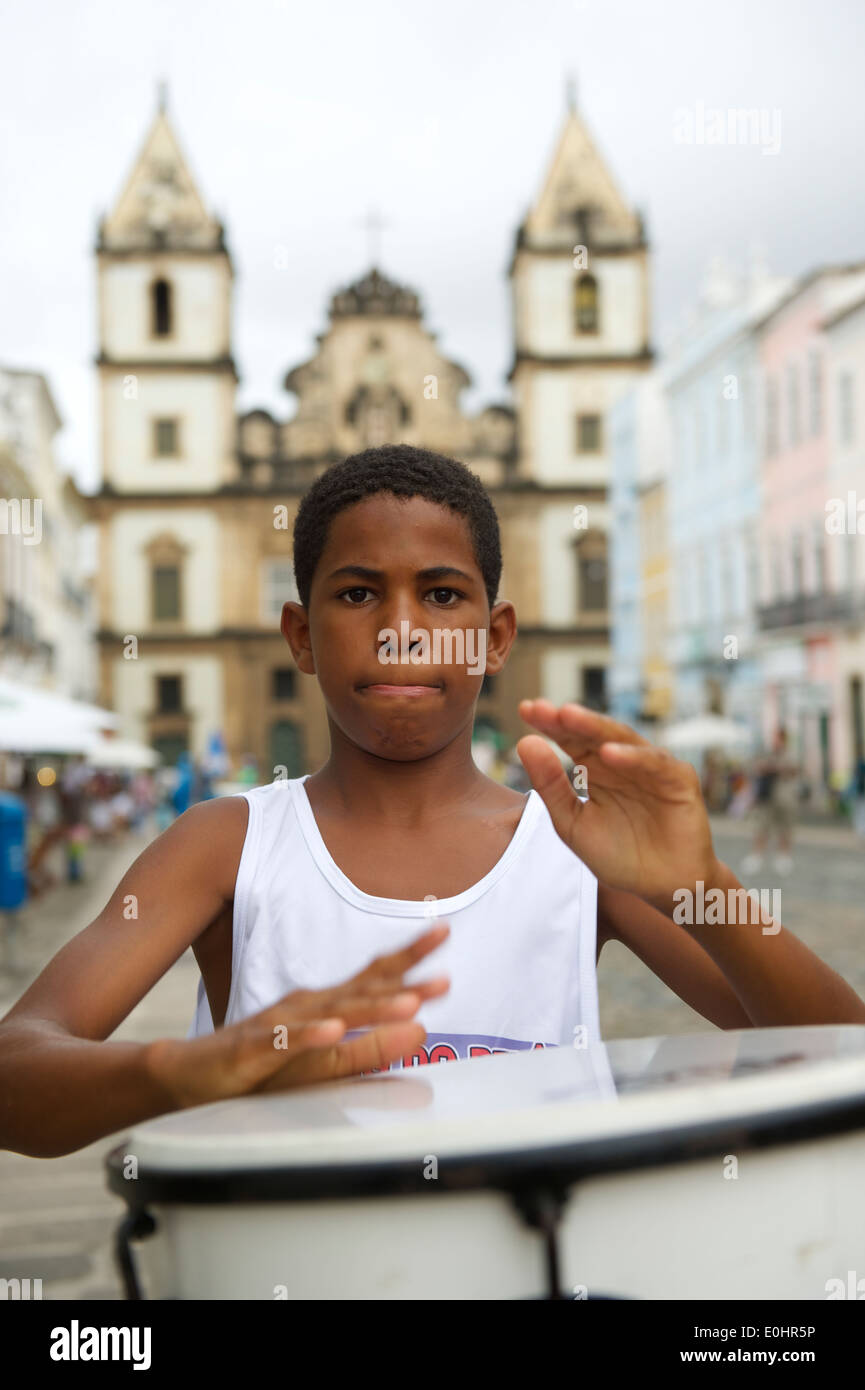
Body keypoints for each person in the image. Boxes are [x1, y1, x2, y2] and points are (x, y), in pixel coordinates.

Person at [1, 444, 863, 1160]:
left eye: (442, 595)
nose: (402, 627)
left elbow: (843, 1057)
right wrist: (176, 1071)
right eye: (357, 592)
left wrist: (700, 886)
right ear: (300, 635)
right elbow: (17, 1070)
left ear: (494, 640)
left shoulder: (576, 850)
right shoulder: (227, 844)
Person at [743, 729, 799, 875]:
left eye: (777, 738)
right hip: (766, 797)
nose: (775, 742)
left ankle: (783, 857)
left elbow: (794, 770)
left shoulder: (790, 754)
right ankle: (757, 856)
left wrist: (775, 767)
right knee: (761, 827)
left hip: (785, 797)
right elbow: (755, 767)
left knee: (785, 828)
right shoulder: (766, 754)